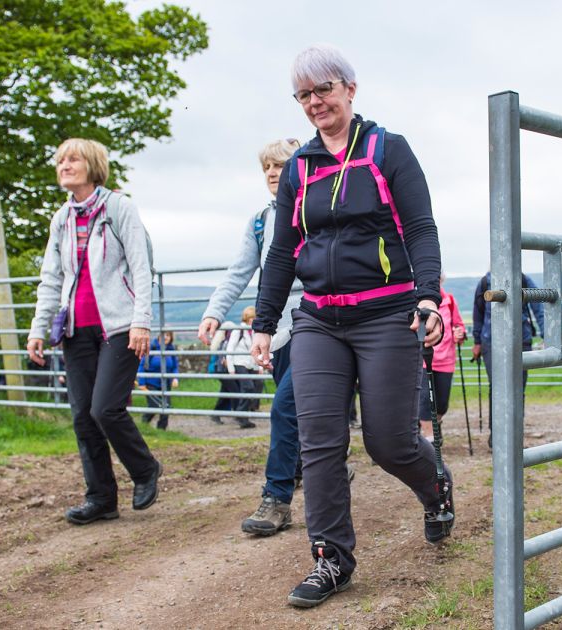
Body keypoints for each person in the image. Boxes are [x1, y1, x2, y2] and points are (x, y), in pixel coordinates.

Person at [251, 45, 451, 609]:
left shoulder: (388, 150)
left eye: (324, 89)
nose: (315, 102)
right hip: (319, 319)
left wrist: (429, 298)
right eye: (304, 94)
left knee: (390, 442)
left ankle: (435, 485)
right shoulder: (299, 168)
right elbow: (282, 251)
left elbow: (421, 228)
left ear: (349, 89)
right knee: (319, 441)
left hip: (386, 314)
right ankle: (331, 558)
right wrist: (264, 322)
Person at [199, 138, 357, 538]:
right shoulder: (259, 221)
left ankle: (276, 499)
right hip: (273, 329)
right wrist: (214, 312)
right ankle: (325, 467)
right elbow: (239, 271)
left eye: (280, 165)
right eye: (266, 167)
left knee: (285, 408)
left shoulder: (322, 207)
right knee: (302, 411)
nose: (272, 173)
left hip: (317, 319)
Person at [27, 138, 163, 526]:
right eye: (60, 160)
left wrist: (141, 322)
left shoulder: (118, 208)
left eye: (73, 159)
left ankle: (145, 469)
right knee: (83, 418)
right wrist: (39, 328)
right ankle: (101, 497)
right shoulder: (62, 218)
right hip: (76, 329)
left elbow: (141, 267)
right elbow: (51, 277)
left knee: (105, 408)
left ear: (92, 166)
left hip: (119, 327)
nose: (64, 165)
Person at [472, 270, 545, 448]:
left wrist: (547, 334)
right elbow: (478, 313)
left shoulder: (523, 279)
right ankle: (496, 435)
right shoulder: (485, 282)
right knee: (497, 387)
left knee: (518, 388)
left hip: (520, 341)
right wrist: (477, 341)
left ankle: (515, 435)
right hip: (491, 342)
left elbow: (538, 307)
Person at [418, 274, 467, 440]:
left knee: (442, 403)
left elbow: (459, 325)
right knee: (425, 400)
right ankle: (430, 438)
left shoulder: (450, 301)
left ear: (441, 280)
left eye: (437, 279)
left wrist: (459, 333)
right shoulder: (418, 301)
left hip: (446, 360)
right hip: (423, 360)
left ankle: (436, 425)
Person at [223, 306, 260, 429]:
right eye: (252, 318)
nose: (254, 320)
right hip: (239, 363)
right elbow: (230, 349)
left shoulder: (254, 332)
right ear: (247, 318)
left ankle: (243, 418)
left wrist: (259, 367)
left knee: (251, 390)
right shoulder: (238, 330)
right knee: (248, 387)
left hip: (250, 365)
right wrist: (231, 369)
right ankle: (240, 414)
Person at [137, 331, 179, 429]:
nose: (165, 337)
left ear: (171, 338)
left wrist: (175, 378)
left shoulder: (171, 350)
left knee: (166, 407)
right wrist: (141, 383)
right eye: (163, 335)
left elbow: (175, 367)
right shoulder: (152, 348)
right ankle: (143, 424)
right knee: (154, 405)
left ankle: (161, 430)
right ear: (159, 336)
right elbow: (142, 366)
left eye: (168, 335)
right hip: (151, 383)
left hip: (165, 384)